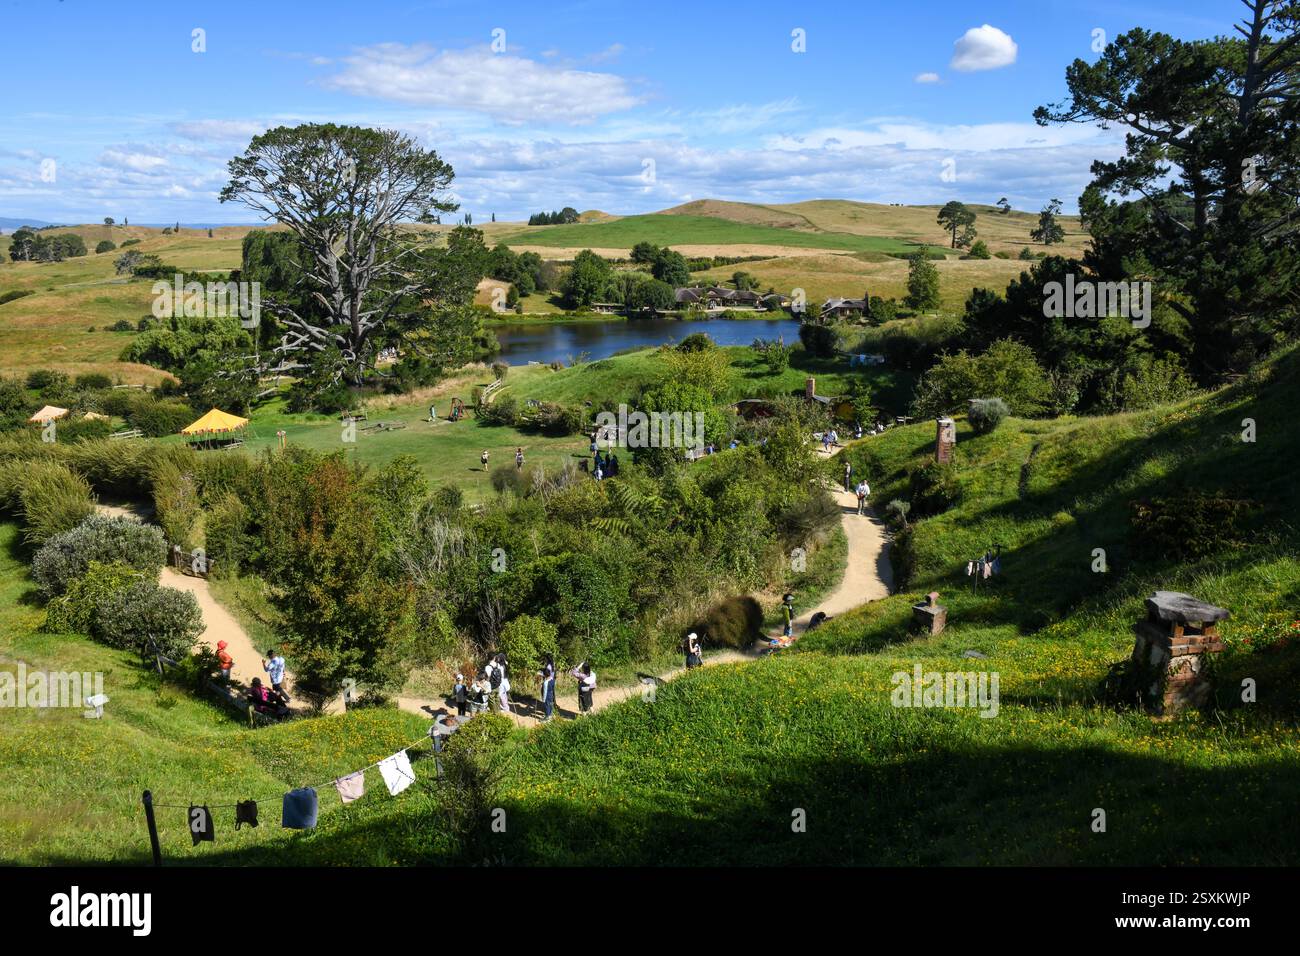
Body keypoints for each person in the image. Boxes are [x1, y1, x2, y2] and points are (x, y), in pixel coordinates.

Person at [538, 654, 557, 722]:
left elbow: (547, 673)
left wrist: (541, 674)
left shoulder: (548, 666)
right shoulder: (552, 664)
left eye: (545, 658)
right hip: (551, 681)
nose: (544, 660)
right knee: (550, 702)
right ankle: (550, 714)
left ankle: (547, 716)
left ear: (547, 659)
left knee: (547, 703)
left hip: (547, 682)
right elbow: (549, 674)